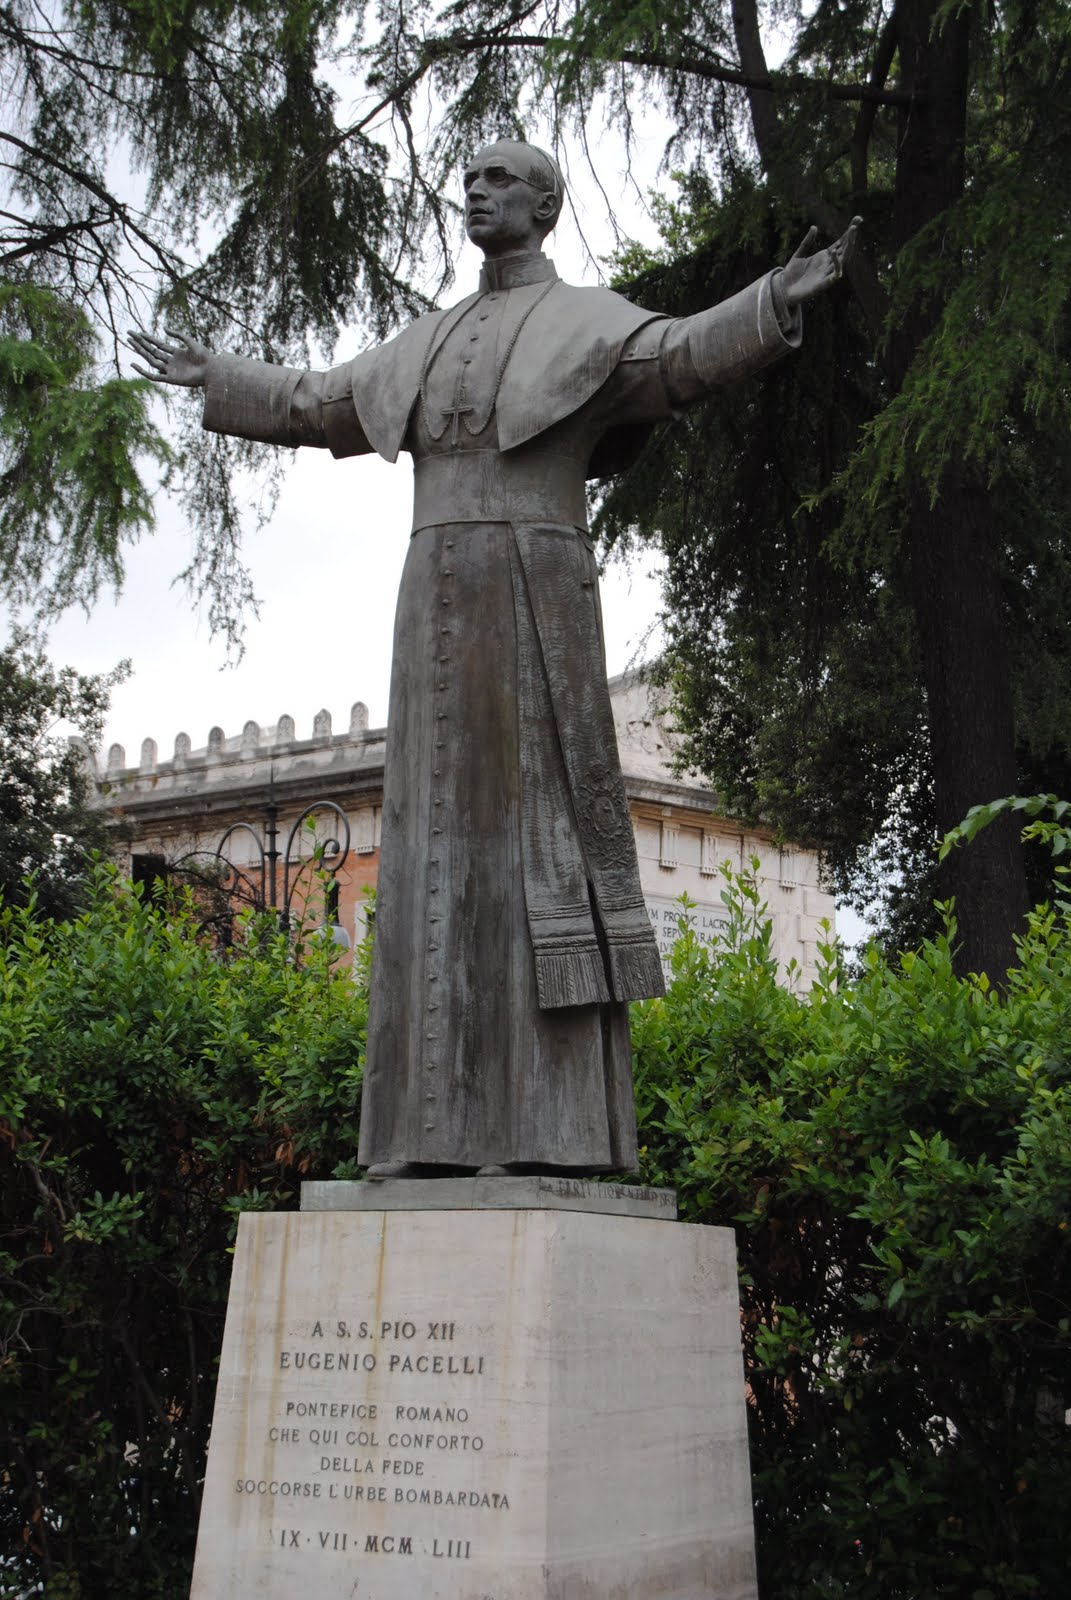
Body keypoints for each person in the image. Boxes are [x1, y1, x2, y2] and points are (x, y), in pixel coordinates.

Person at [131, 141, 857, 1179]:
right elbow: (319, 402)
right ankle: (421, 1140)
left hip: (534, 593)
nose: (477, 194)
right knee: (432, 859)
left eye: (501, 181)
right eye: (469, 182)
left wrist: (774, 302)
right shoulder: (427, 341)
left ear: (547, 205)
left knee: (536, 851)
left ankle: (553, 1135)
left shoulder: (588, 327)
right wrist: (224, 380)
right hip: (433, 600)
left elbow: (684, 357)